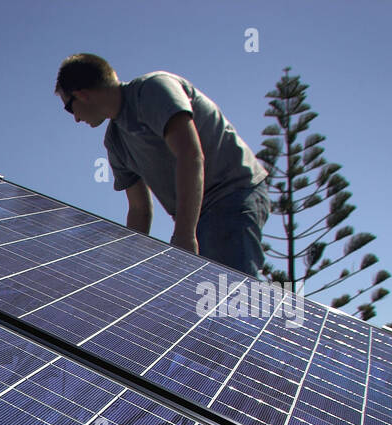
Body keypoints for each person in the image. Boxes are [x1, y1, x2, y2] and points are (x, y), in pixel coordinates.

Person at [55, 53, 270, 278]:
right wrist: (125, 267)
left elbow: (190, 154)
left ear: (82, 95)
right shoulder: (115, 142)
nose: (76, 119)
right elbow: (139, 210)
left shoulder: (153, 90)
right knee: (196, 299)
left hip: (230, 194)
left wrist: (185, 235)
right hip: (195, 217)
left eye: (70, 108)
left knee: (228, 297)